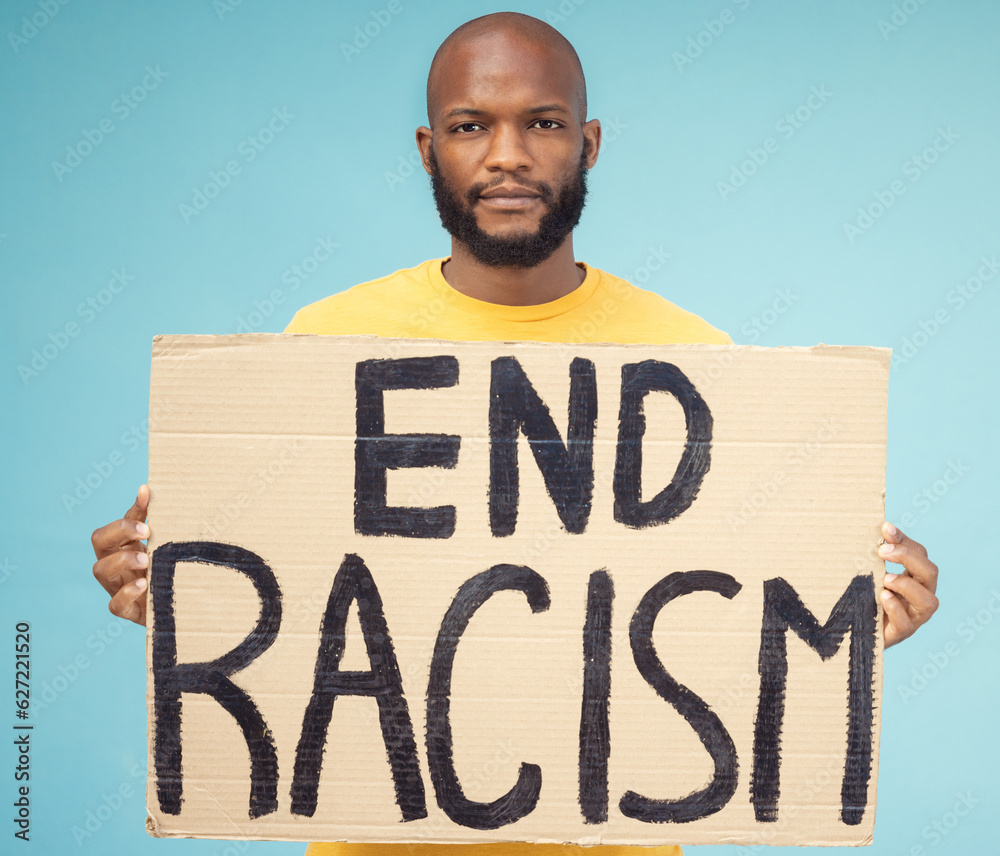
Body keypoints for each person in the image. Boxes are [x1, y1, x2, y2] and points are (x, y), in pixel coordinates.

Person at [90, 12, 940, 856]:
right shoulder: (326, 343)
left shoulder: (691, 361)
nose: (508, 155)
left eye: (544, 123)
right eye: (471, 126)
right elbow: (300, 597)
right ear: (429, 150)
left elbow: (716, 623)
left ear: (588, 144)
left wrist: (840, 630)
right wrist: (184, 603)